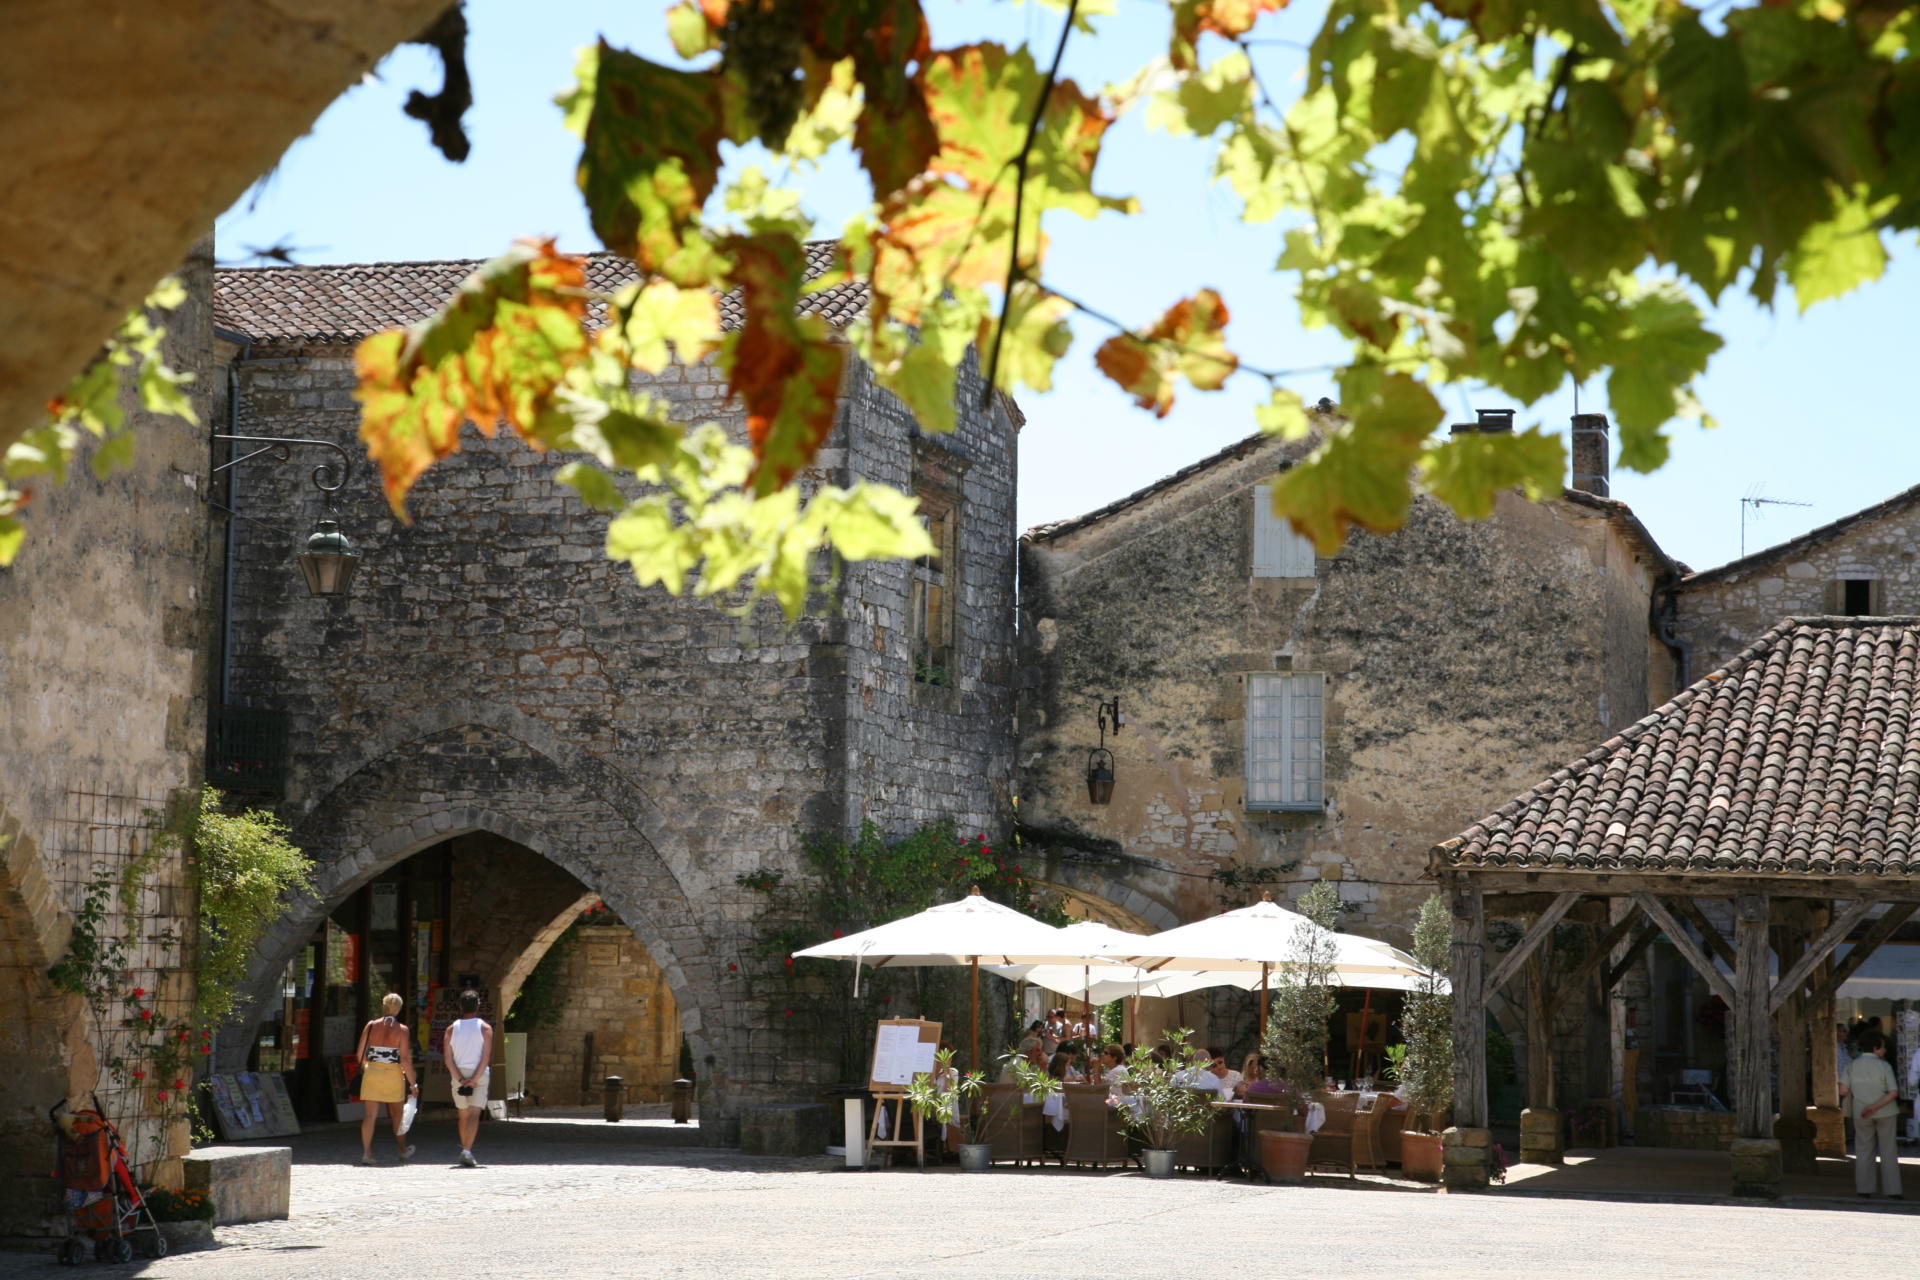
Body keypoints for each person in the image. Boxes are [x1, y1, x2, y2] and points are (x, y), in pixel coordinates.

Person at [354, 993, 418, 1166]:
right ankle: (402, 1149)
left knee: (369, 1116)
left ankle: (367, 1153)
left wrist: (367, 1066)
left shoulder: (371, 1025)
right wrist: (413, 1083)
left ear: (384, 1006)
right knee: (397, 1114)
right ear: (398, 1009)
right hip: (393, 1074)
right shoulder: (402, 1030)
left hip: (373, 1071)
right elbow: (404, 1059)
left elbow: (360, 1053)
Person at [1845, 1029, 1903, 1199]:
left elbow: (1843, 1090)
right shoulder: (1884, 1066)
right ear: (1876, 1048)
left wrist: (1866, 1105)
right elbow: (1893, 1092)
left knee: (1863, 1150)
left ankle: (1864, 1189)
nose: (1884, 1050)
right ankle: (1893, 1190)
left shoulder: (1851, 1065)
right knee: (1888, 1150)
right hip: (1886, 1112)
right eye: (1883, 1046)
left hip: (1860, 1113)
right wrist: (1875, 1106)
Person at [445, 988, 495, 1168]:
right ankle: (467, 1150)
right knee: (475, 1113)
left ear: (460, 1006)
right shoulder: (485, 1028)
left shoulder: (451, 1029)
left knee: (463, 1114)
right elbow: (486, 1056)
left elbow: (448, 1058)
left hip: (458, 1074)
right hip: (479, 1074)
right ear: (478, 1006)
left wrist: (459, 1079)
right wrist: (474, 1079)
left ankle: (465, 1148)